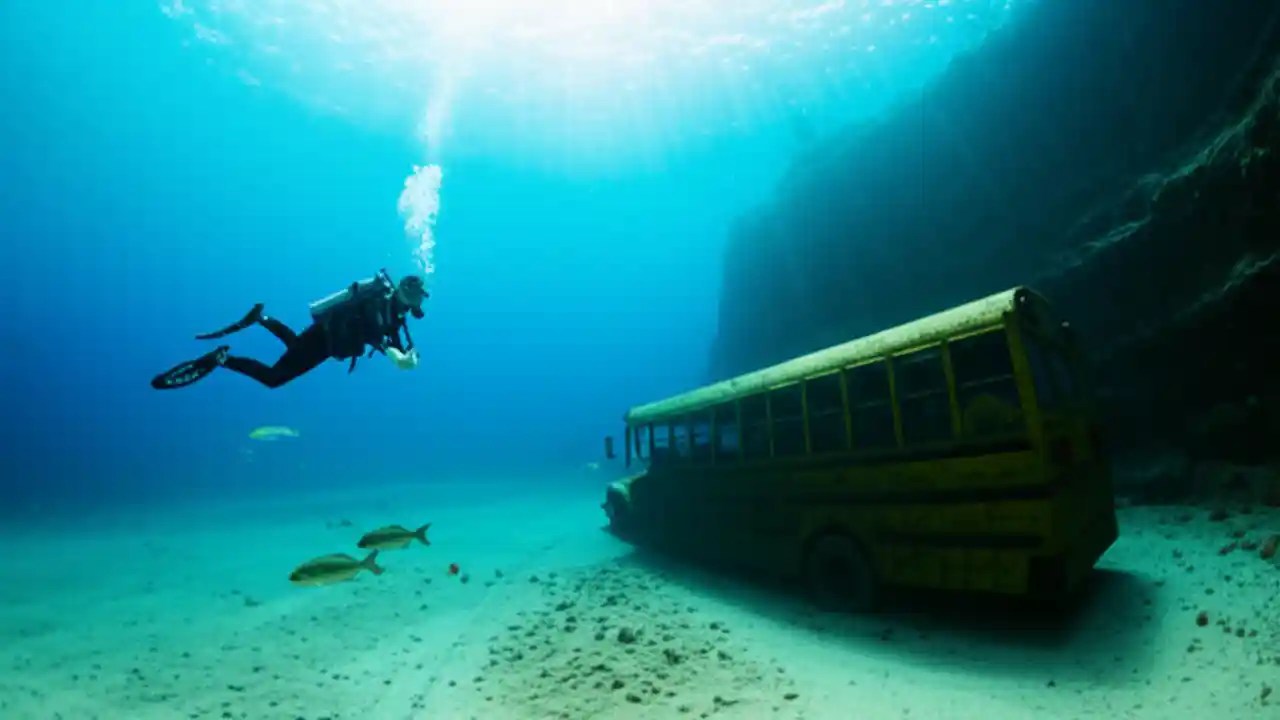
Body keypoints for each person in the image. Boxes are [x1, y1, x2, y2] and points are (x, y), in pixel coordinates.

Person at [150, 269, 428, 390]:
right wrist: (400, 359)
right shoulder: (378, 307)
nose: (417, 302)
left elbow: (391, 340)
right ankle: (222, 358)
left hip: (324, 341)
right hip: (323, 340)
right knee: (274, 378)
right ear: (403, 291)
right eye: (415, 295)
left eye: (420, 297)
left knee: (295, 345)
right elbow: (381, 340)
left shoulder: (394, 313)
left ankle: (262, 318)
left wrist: (406, 356)